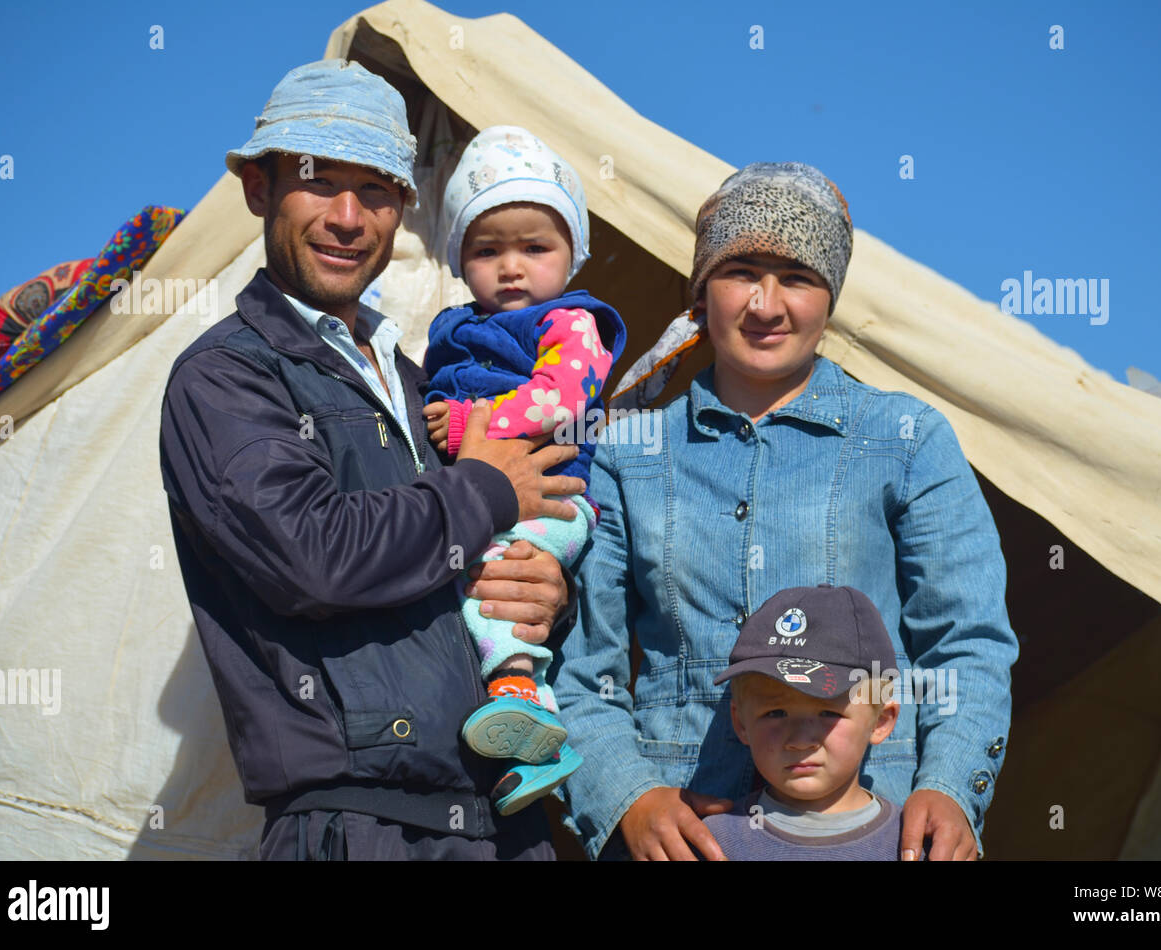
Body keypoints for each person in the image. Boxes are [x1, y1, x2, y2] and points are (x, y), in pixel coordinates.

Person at [158, 60, 585, 860]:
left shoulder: (427, 382)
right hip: (357, 828)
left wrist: (540, 587)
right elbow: (311, 556)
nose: (349, 217)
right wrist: (487, 489)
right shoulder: (226, 377)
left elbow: (482, 541)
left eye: (379, 190)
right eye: (319, 182)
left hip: (503, 821)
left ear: (405, 211)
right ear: (259, 187)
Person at [552, 161, 1019, 862]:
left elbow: (968, 642)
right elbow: (582, 666)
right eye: (741, 271)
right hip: (682, 836)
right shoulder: (627, 453)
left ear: (829, 298)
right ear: (702, 291)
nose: (766, 305)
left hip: (876, 833)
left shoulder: (908, 441)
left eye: (797, 278)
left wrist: (951, 786)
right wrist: (627, 796)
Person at [419, 127, 626, 816]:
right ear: (458, 260)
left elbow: (560, 400)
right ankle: (533, 749)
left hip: (552, 499)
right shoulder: (448, 330)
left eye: (535, 248)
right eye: (487, 250)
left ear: (572, 255)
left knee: (502, 589)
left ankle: (518, 696)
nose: (512, 267)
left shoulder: (573, 322)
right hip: (485, 497)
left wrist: (470, 425)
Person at [702, 584, 901, 860]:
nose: (799, 740)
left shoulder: (914, 845)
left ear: (881, 721)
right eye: (775, 713)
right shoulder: (712, 843)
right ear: (741, 722)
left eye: (828, 713)